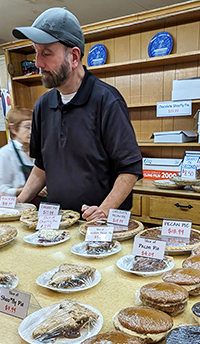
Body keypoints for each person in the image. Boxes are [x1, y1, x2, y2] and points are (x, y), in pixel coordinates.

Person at [12, 8, 142, 221]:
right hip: (56, 221)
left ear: (73, 57)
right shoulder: (43, 106)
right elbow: (42, 166)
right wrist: (18, 203)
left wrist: (104, 211)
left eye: (46, 53)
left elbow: (130, 169)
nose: (38, 63)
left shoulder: (107, 100)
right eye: (36, 52)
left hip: (100, 226)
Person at [0, 106, 34, 199]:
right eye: (27, 127)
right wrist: (30, 190)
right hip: (18, 207)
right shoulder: (4, 155)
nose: (32, 131)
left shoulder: (40, 150)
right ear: (14, 129)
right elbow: (0, 191)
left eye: (35, 127)